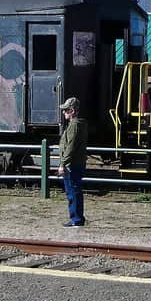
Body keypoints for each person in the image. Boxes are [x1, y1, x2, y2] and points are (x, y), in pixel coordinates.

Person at [57, 97, 88, 226]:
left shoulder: (74, 126)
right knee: (74, 191)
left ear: (73, 111)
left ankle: (76, 219)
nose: (64, 113)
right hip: (76, 163)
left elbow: (70, 146)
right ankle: (78, 218)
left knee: (72, 192)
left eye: (66, 110)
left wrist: (63, 164)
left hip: (72, 164)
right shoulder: (78, 125)